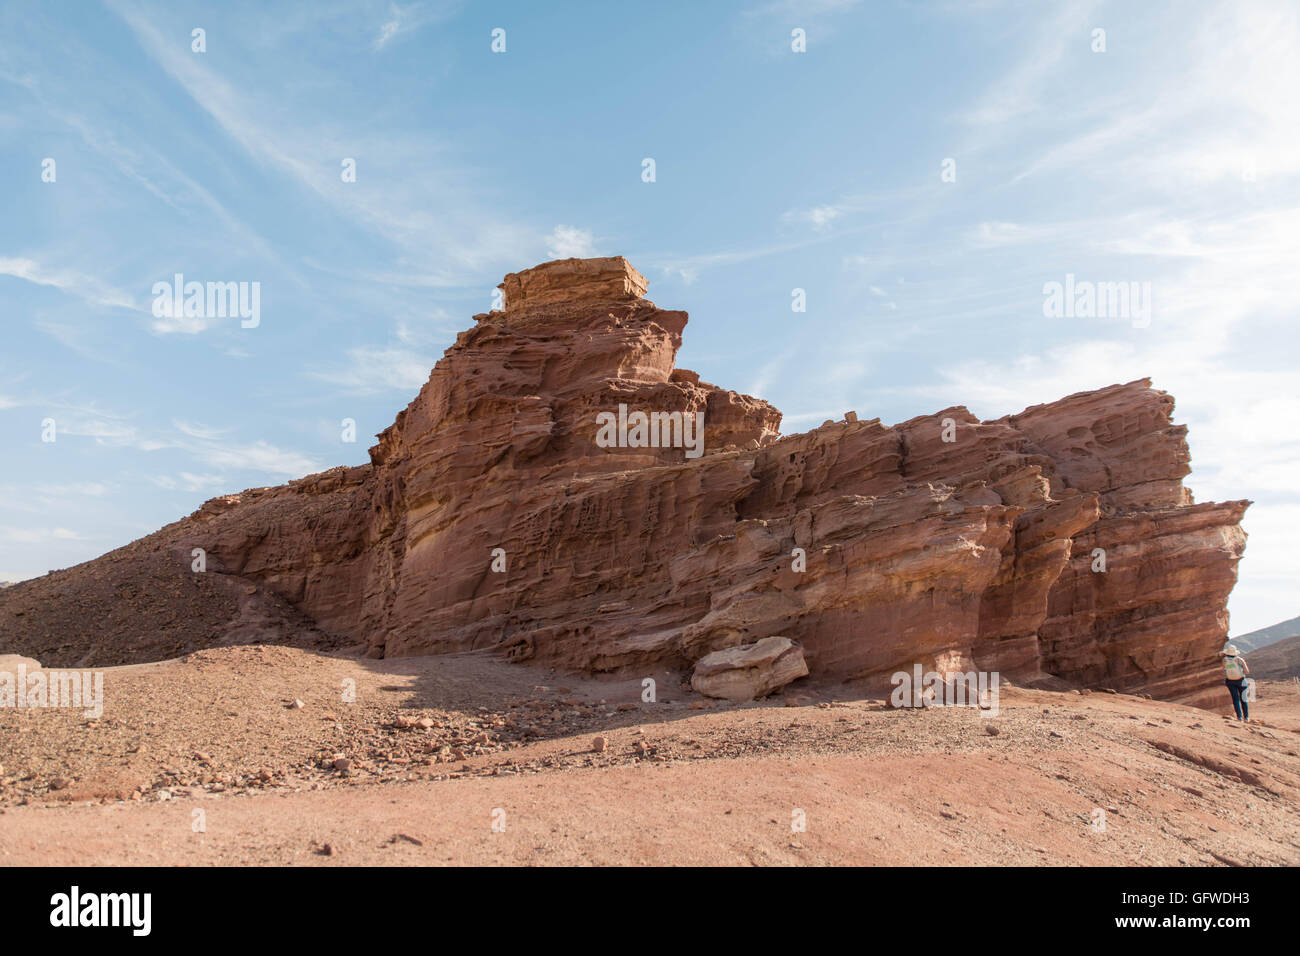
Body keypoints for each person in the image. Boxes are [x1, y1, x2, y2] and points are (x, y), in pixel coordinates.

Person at [1221, 644, 1251, 722]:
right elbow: (1247, 671)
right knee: (1243, 699)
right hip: (1241, 680)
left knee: (1235, 699)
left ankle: (1239, 717)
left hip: (1230, 681)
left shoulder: (1224, 660)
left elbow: (1223, 669)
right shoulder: (1239, 659)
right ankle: (1246, 717)